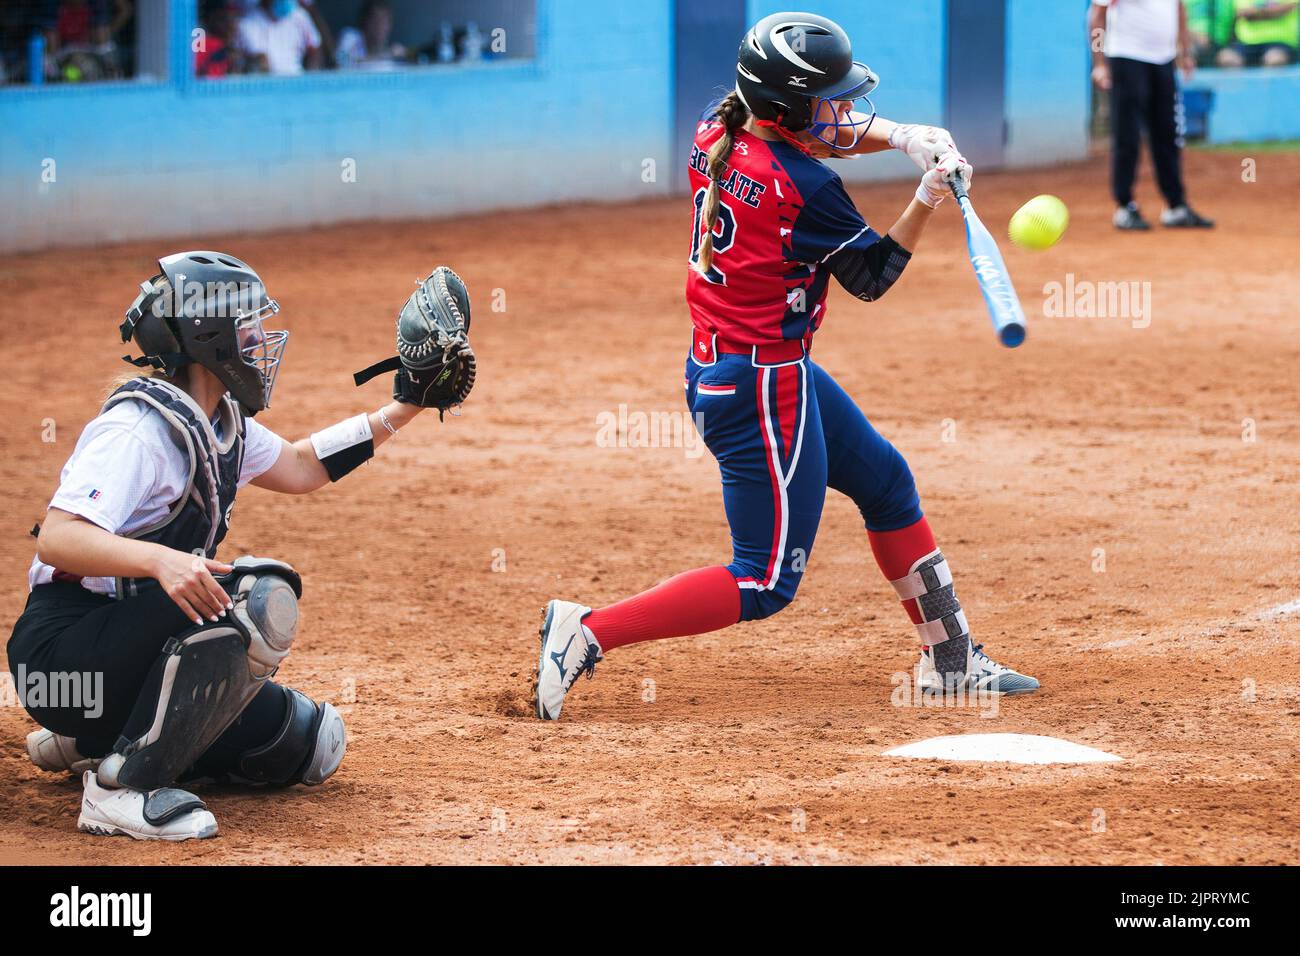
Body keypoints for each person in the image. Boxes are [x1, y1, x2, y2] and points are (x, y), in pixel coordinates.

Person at [531, 12, 1040, 722]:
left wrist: (904, 138)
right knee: (764, 579)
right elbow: (871, 277)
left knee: (888, 484)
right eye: (827, 99)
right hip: (761, 387)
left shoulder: (721, 127)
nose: (842, 112)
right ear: (785, 110)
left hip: (743, 366)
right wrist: (925, 195)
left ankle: (950, 660)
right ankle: (587, 631)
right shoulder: (804, 188)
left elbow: (821, 135)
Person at [8, 251, 473, 840]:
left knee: (308, 743)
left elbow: (304, 466)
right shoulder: (137, 430)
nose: (261, 336)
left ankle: (94, 739)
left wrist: (406, 405)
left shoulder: (220, 422)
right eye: (248, 322)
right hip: (63, 652)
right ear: (209, 335)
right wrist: (160, 559)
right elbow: (57, 536)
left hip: (122, 651)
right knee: (258, 600)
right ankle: (119, 788)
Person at [1090, 0, 1215, 230]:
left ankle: (1176, 206)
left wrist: (1185, 52)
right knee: (1127, 135)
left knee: (1168, 133)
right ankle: (1124, 206)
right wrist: (1099, 64)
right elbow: (1097, 15)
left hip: (1164, 60)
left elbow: (1179, 10)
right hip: (1126, 57)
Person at [236, 0, 321, 75]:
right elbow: (240, 59)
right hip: (265, 85)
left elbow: (314, 48)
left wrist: (311, 76)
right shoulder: (246, 23)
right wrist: (255, 63)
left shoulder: (299, 16)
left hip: (297, 80)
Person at [1216, 0, 1299, 66]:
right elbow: (1243, 12)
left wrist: (1257, 12)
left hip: (1281, 42)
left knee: (1275, 60)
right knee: (1227, 58)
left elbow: (1290, 6)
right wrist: (1272, 12)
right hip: (1246, 43)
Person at [336, 0, 406, 71]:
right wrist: (386, 55)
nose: (380, 26)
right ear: (365, 21)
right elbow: (340, 62)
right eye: (376, 20)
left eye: (385, 21)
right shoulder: (351, 37)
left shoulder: (391, 58)